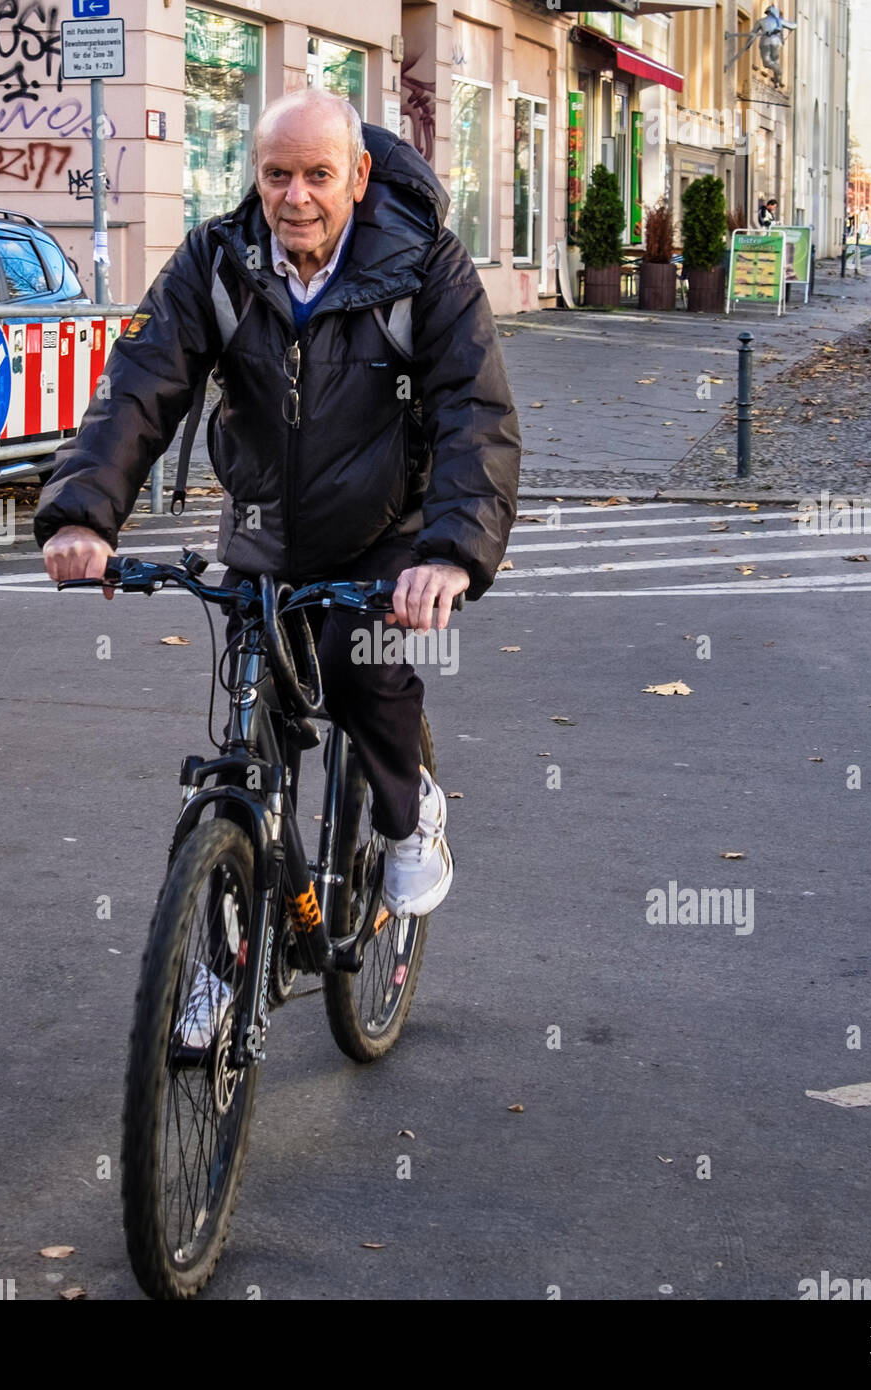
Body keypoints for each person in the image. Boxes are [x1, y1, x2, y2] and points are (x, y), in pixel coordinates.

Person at [36, 91, 521, 1031]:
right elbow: (138, 387)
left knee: (356, 662)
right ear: (254, 175)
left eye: (317, 176)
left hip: (385, 527)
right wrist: (83, 515)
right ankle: (224, 963)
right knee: (249, 747)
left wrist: (452, 553)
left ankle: (408, 810)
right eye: (275, 175)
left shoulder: (424, 266)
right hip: (262, 528)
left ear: (359, 175)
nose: (294, 198)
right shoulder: (217, 262)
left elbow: (476, 412)